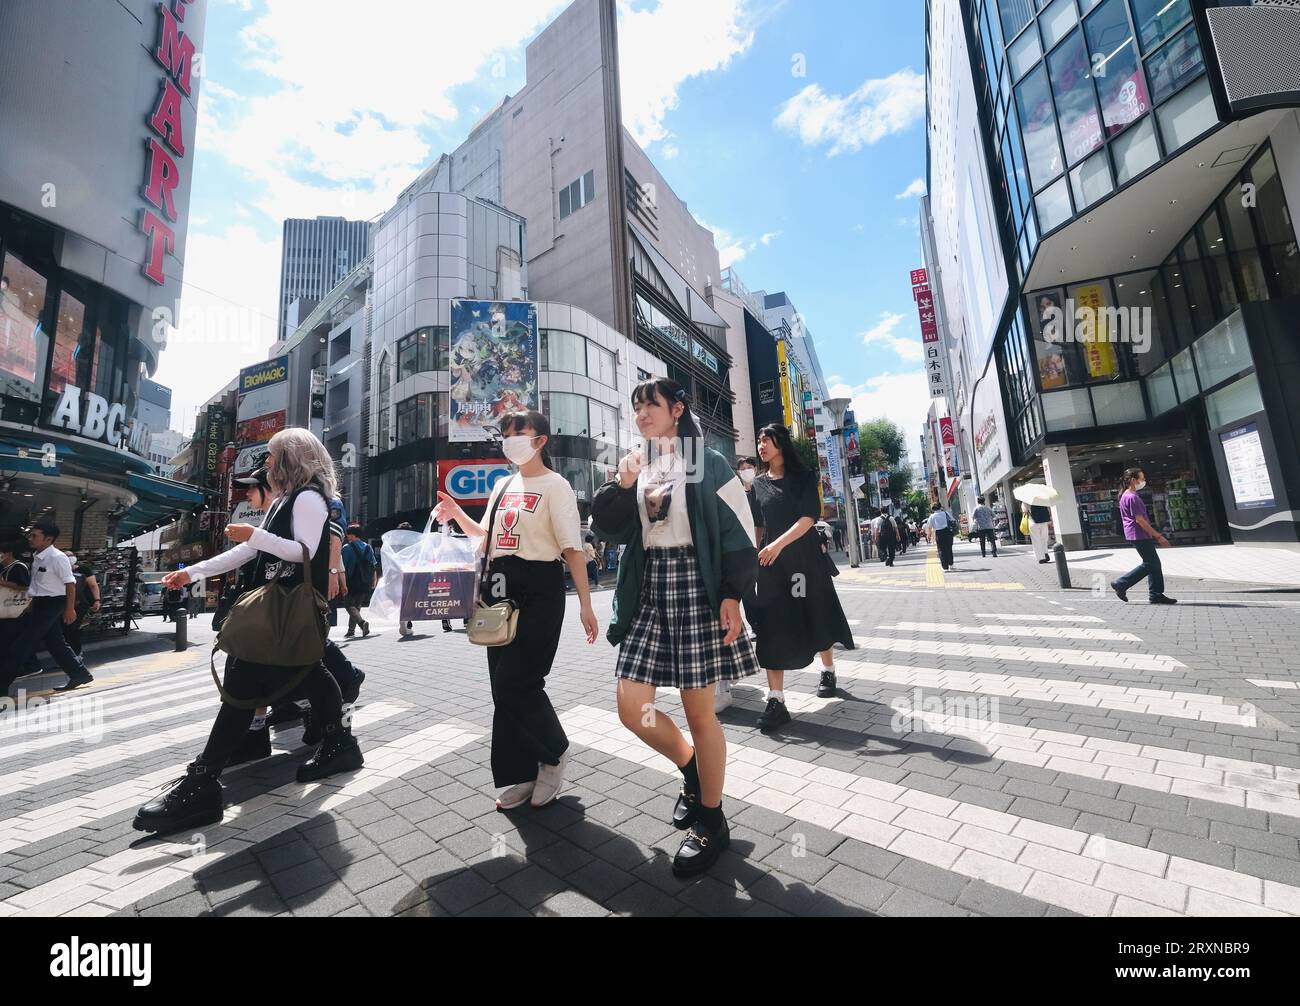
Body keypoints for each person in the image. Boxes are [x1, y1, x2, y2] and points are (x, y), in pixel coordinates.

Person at [134, 428, 362, 835]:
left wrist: (255, 535)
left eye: (273, 457)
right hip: (275, 606)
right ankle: (340, 745)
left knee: (247, 684)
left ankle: (203, 782)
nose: (267, 465)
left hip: (288, 605)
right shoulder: (286, 501)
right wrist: (192, 571)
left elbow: (304, 551)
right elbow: (250, 551)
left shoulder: (308, 497)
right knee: (309, 671)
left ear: (292, 458)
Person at [591, 379, 759, 877]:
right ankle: (691, 768)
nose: (641, 413)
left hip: (696, 584)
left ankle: (712, 818)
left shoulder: (709, 463)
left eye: (651, 405)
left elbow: (739, 530)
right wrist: (620, 486)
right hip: (649, 588)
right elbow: (610, 528)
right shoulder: (636, 465)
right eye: (636, 406)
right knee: (631, 707)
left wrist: (732, 593)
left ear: (677, 409)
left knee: (699, 711)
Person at [433, 409, 598, 810]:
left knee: (517, 683)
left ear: (540, 440)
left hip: (539, 589)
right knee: (500, 688)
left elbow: (571, 549)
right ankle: (522, 773)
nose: (510, 440)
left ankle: (555, 753)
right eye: (505, 434)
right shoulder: (503, 485)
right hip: (499, 588)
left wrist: (587, 606)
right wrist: (457, 515)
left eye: (518, 433)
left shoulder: (556, 485)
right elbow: (487, 538)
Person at [749, 423, 854, 727]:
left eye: (766, 440)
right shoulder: (757, 485)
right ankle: (776, 700)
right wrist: (750, 553)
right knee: (771, 626)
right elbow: (757, 525)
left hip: (803, 560)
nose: (761, 446)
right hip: (771, 564)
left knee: (815, 614)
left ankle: (828, 669)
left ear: (780, 444)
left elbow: (808, 518)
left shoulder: (803, 477)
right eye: (758, 441)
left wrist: (778, 544)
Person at [4, 520, 94, 692]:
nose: (30, 538)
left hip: (53, 603)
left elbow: (70, 584)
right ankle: (79, 673)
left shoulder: (58, 558)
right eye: (30, 535)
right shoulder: (37, 556)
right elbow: (37, 584)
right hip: (40, 603)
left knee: (22, 644)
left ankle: (2, 686)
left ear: (48, 539)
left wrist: (69, 609)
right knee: (55, 642)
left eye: (34, 535)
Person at [1110, 468, 1177, 605]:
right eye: (1142, 478)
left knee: (1154, 564)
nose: (1144, 481)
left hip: (1136, 533)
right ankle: (1121, 583)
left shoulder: (1126, 495)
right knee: (1151, 564)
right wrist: (1158, 536)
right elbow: (1139, 520)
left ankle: (1156, 594)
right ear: (1134, 480)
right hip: (1139, 533)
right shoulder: (1132, 497)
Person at [0, 541, 37, 689]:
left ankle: (28, 666)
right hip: (9, 611)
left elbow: (24, 585)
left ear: (8, 553)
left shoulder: (18, 567)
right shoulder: (6, 568)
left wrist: (3, 583)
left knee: (12, 642)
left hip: (15, 611)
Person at [62, 554, 101, 656]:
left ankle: (75, 653)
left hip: (79, 604)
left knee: (72, 629)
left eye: (70, 555)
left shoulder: (83, 569)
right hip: (63, 604)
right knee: (66, 629)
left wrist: (96, 600)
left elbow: (93, 585)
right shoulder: (61, 568)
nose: (68, 557)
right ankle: (70, 654)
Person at [341, 524, 376, 637]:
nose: (347, 536)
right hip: (365, 581)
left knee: (348, 605)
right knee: (357, 605)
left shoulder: (346, 548)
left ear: (353, 535)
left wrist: (341, 582)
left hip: (351, 581)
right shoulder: (368, 547)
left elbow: (342, 567)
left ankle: (362, 623)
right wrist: (373, 581)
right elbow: (373, 565)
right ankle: (351, 631)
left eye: (348, 534)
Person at [395, 521, 416, 638]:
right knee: (410, 598)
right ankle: (408, 622)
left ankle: (403, 620)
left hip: (398, 573)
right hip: (411, 572)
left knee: (400, 598)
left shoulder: (394, 542)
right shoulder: (414, 542)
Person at [926, 504, 956, 570]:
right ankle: (951, 564)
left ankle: (945, 567)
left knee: (941, 550)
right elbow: (953, 520)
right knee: (949, 548)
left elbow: (929, 527)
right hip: (948, 532)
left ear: (933, 509)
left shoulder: (932, 516)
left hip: (939, 533)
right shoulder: (945, 513)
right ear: (940, 507)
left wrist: (929, 536)